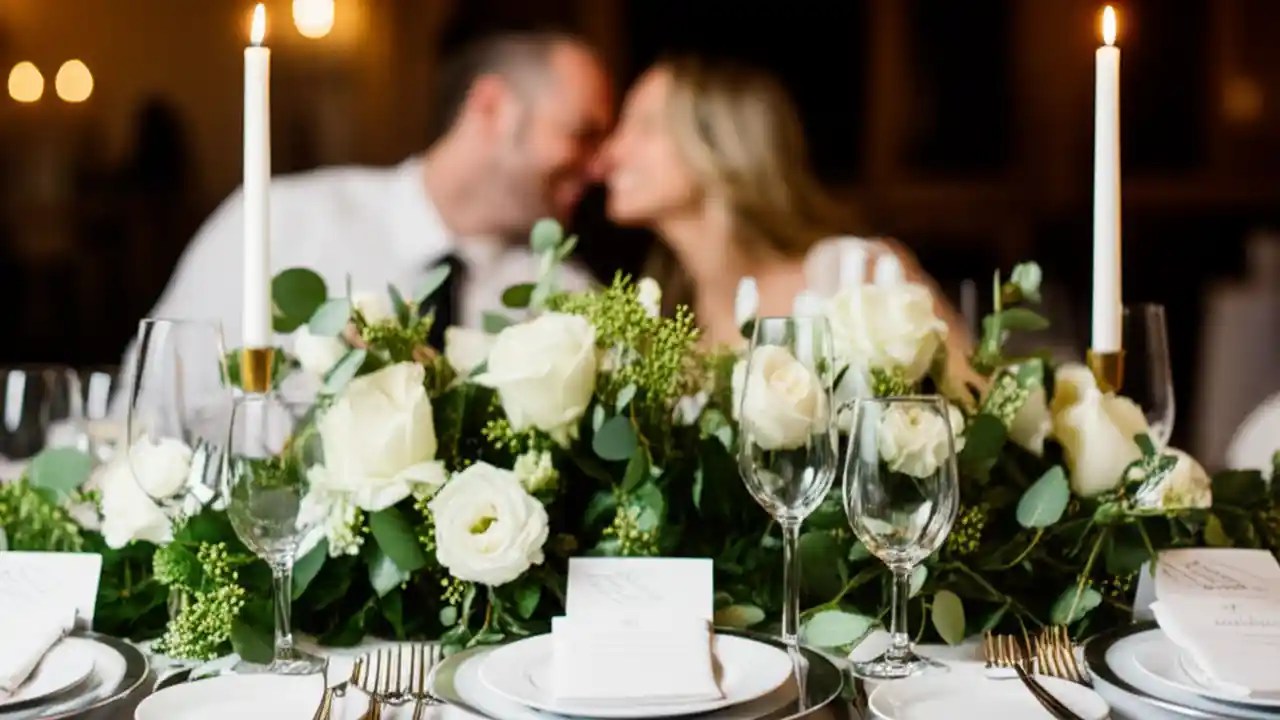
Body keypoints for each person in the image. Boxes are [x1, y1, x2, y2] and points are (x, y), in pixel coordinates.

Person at [137, 31, 612, 353]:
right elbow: (151, 407)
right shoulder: (279, 220)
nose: (599, 166)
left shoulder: (569, 300)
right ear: (491, 107)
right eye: (584, 133)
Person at [598, 56, 971, 362]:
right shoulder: (663, 321)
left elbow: (981, 423)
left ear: (719, 141)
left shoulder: (854, 275)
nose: (609, 154)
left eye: (644, 126)